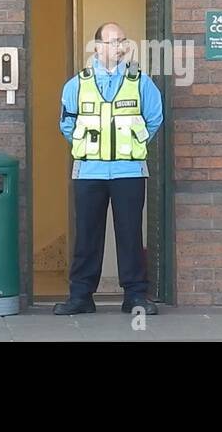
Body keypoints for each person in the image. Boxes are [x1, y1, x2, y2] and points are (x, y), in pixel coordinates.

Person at [53, 22, 163, 315]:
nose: (119, 46)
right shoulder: (77, 84)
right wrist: (89, 149)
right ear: (97, 47)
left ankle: (135, 296)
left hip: (129, 171)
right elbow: (67, 123)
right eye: (113, 41)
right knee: (87, 234)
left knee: (130, 235)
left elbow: (154, 118)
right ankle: (81, 297)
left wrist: (130, 146)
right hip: (89, 172)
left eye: (122, 41)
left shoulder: (141, 82)